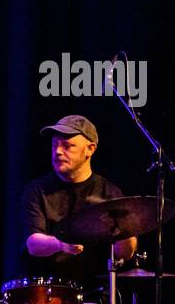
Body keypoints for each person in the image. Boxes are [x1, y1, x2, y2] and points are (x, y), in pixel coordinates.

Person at [21, 114, 136, 281]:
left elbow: (124, 254)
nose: (58, 152)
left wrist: (126, 232)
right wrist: (61, 244)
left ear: (90, 149)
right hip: (47, 291)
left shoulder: (109, 193)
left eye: (68, 146)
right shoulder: (36, 190)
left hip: (95, 293)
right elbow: (33, 244)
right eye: (55, 145)